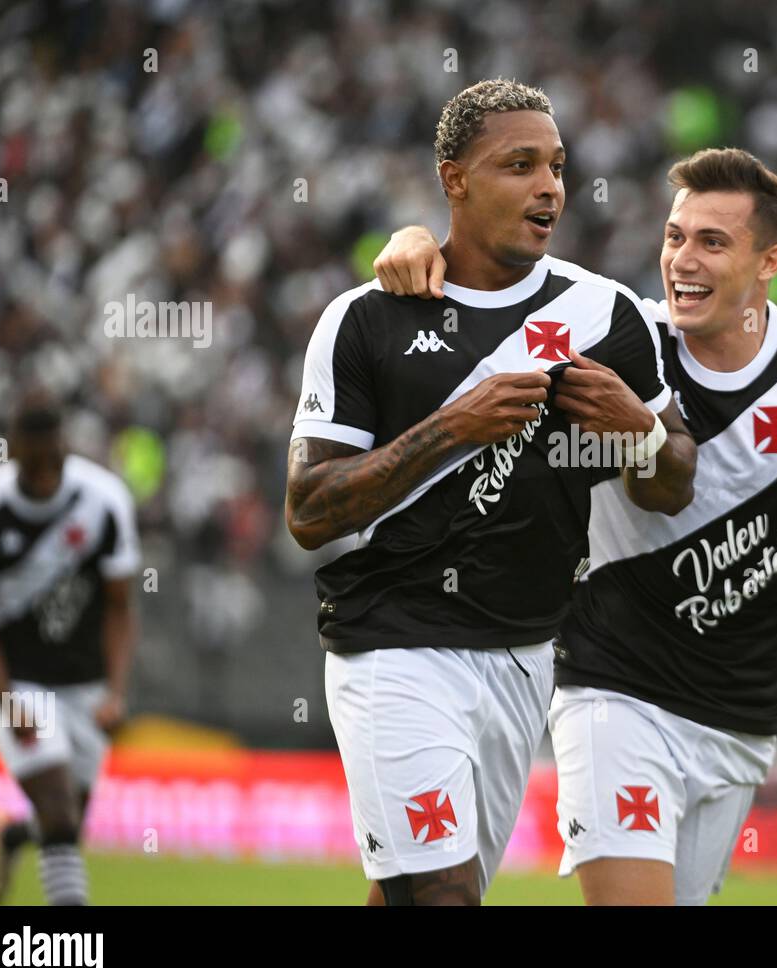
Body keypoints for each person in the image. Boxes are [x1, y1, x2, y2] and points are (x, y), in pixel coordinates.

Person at [372, 146, 777, 904]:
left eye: (713, 242)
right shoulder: (622, 335)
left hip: (741, 722)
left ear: (769, 262)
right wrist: (417, 245)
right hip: (613, 693)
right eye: (674, 236)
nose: (682, 259)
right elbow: (485, 304)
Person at [285, 79, 696, 906]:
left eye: (557, 166)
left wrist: (641, 430)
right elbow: (309, 510)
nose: (550, 187)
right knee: (443, 896)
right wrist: (452, 427)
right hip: (394, 641)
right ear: (455, 179)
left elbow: (671, 485)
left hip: (524, 652)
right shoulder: (367, 319)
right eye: (520, 165)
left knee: (416, 893)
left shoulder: (604, 313)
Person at [0, 389, 139, 905]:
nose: (40, 467)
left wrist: (116, 692)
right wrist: (5, 696)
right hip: (24, 683)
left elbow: (121, 606)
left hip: (86, 684)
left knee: (65, 826)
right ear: (11, 448)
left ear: (61, 444)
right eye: (29, 454)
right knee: (58, 811)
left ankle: (12, 835)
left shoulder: (103, 502)